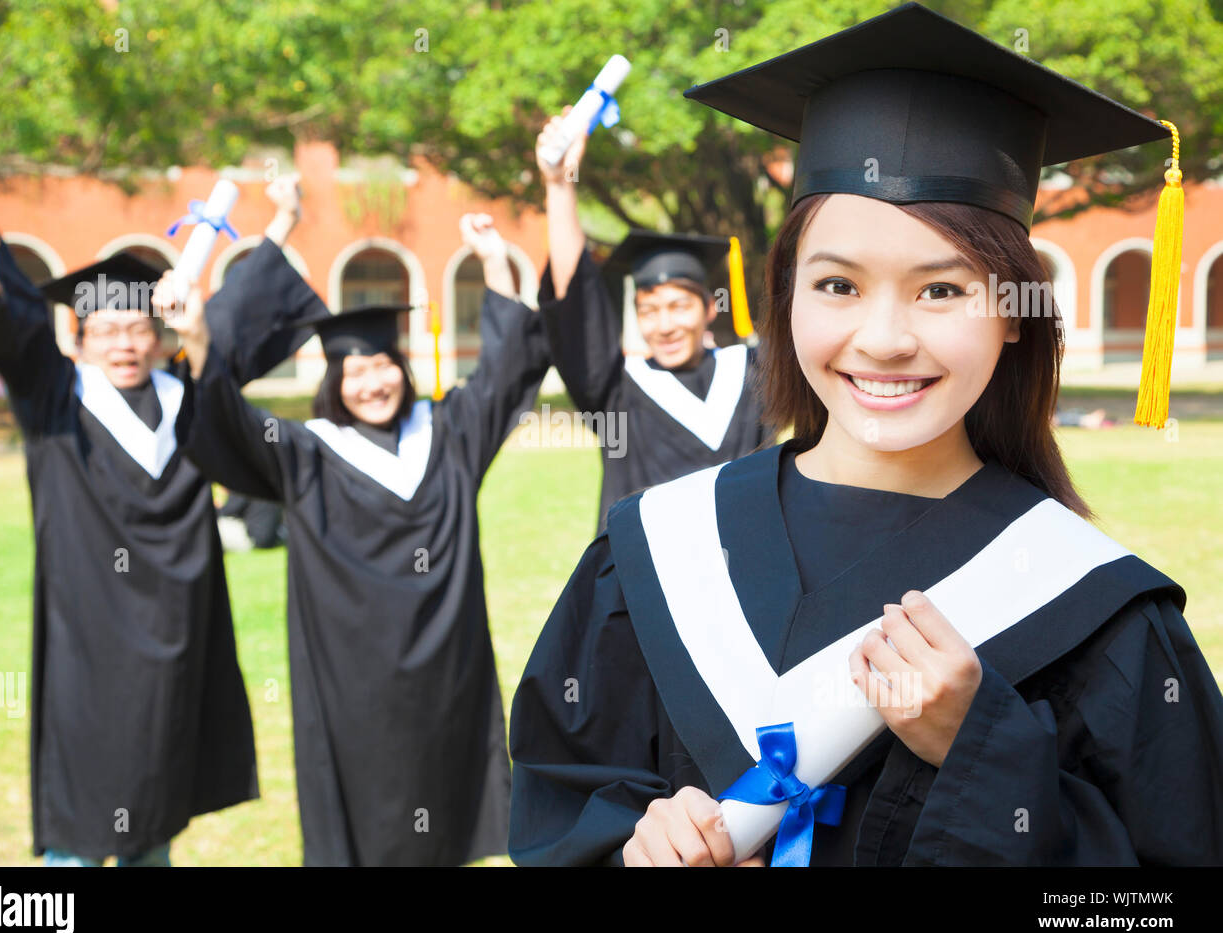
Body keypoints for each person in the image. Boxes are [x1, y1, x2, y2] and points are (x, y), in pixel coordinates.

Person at [509, 2, 1223, 866]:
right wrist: (630, 850)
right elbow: (560, 811)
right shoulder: (655, 553)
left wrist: (987, 755)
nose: (884, 338)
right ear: (785, 301)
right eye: (838, 285)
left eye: (942, 289)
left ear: (1013, 317)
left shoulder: (1094, 609)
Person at [0, 136, 319, 865]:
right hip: (88, 641)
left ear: (158, 332)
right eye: (104, 330)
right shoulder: (56, 399)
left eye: (138, 327)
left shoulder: (190, 393)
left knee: (156, 815)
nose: (123, 343)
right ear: (76, 339)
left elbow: (236, 312)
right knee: (82, 823)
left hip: (177, 636)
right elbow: (9, 296)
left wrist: (286, 222)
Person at [160, 212, 550, 866]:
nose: (373, 381)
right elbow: (225, 423)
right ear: (333, 382)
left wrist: (493, 262)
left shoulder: (450, 435)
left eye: (383, 364)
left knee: (446, 829)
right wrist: (198, 338)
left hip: (447, 681)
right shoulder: (306, 455)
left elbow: (506, 374)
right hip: (351, 690)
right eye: (355, 370)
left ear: (402, 366)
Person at [535, 116, 770, 532]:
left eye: (680, 306)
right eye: (648, 310)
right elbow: (577, 306)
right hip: (644, 588)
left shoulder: (751, 372)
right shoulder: (616, 391)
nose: (664, 325)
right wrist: (558, 186)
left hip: (745, 581)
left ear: (709, 310)